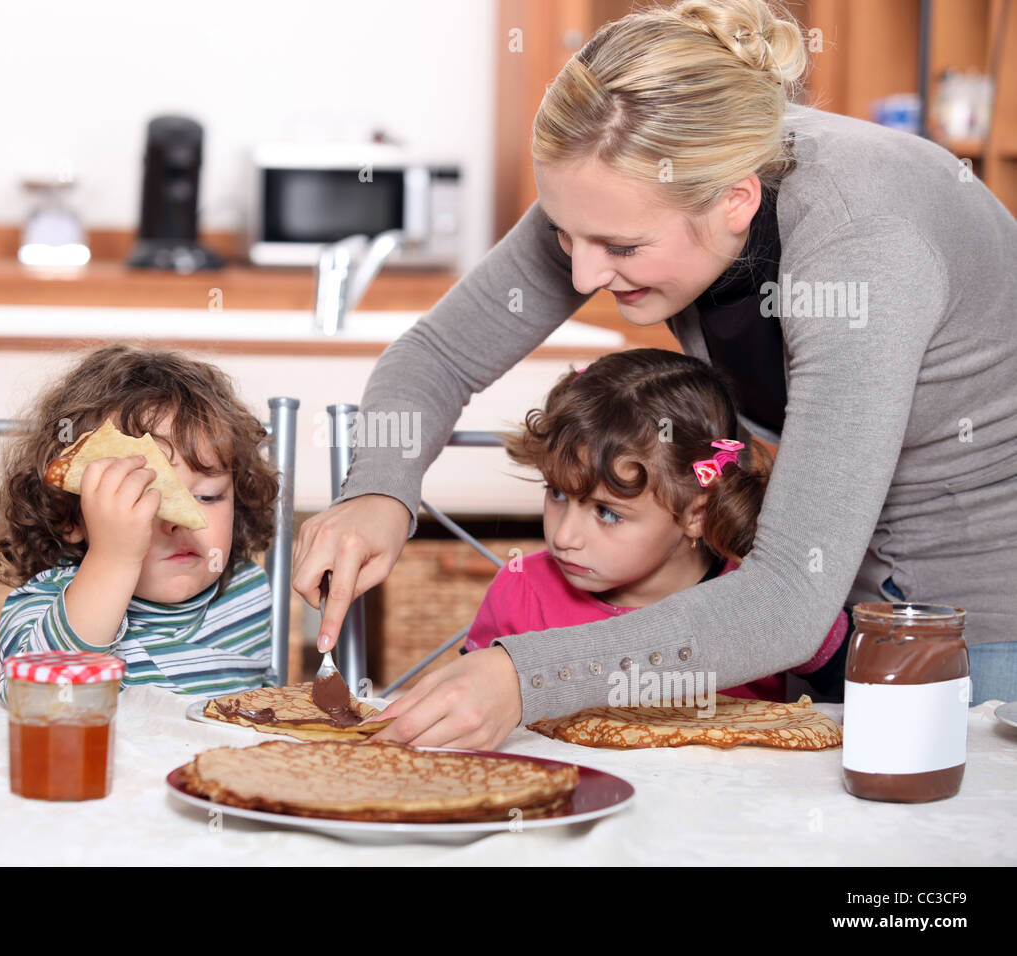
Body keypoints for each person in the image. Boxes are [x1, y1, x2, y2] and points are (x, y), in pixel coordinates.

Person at [293, 0, 1017, 748]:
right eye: (566, 234)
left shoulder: (864, 246)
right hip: (821, 608)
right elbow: (438, 355)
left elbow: (787, 604)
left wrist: (525, 676)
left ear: (738, 201)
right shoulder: (628, 185)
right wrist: (379, 490)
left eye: (620, 247)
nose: (582, 271)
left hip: (976, 622)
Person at [462, 349, 847, 701]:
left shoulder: (763, 601)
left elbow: (868, 695)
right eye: (557, 494)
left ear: (696, 514)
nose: (563, 537)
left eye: (607, 513)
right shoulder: (521, 591)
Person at [0, 345, 281, 698]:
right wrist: (114, 559)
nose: (179, 522)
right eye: (140, 498)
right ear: (70, 516)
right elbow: (36, 700)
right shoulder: (43, 604)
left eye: (209, 496)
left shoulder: (246, 591)